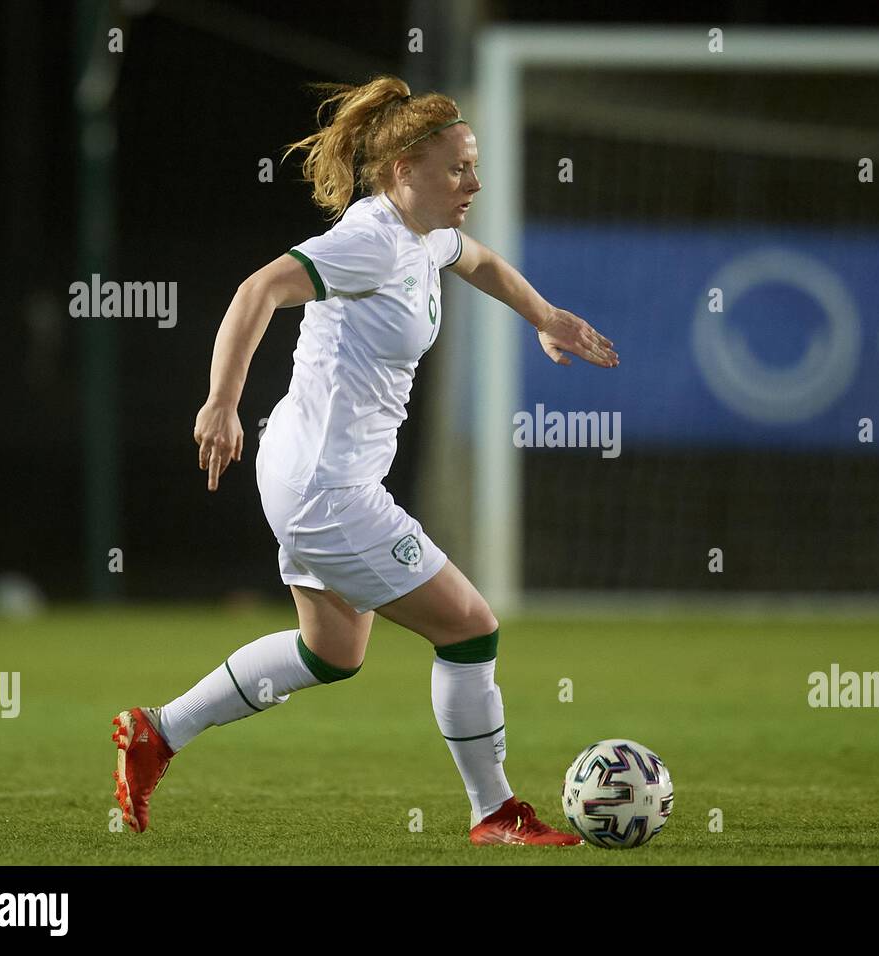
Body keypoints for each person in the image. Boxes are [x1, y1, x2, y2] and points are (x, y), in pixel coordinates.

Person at [111, 74, 618, 847]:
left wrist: (544, 316)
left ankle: (158, 731)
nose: (474, 183)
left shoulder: (424, 235)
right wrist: (219, 402)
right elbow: (257, 290)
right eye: (458, 169)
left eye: (474, 167)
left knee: (332, 650)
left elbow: (477, 260)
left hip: (306, 470)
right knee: (471, 629)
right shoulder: (370, 241)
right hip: (327, 487)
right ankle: (494, 813)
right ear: (403, 171)